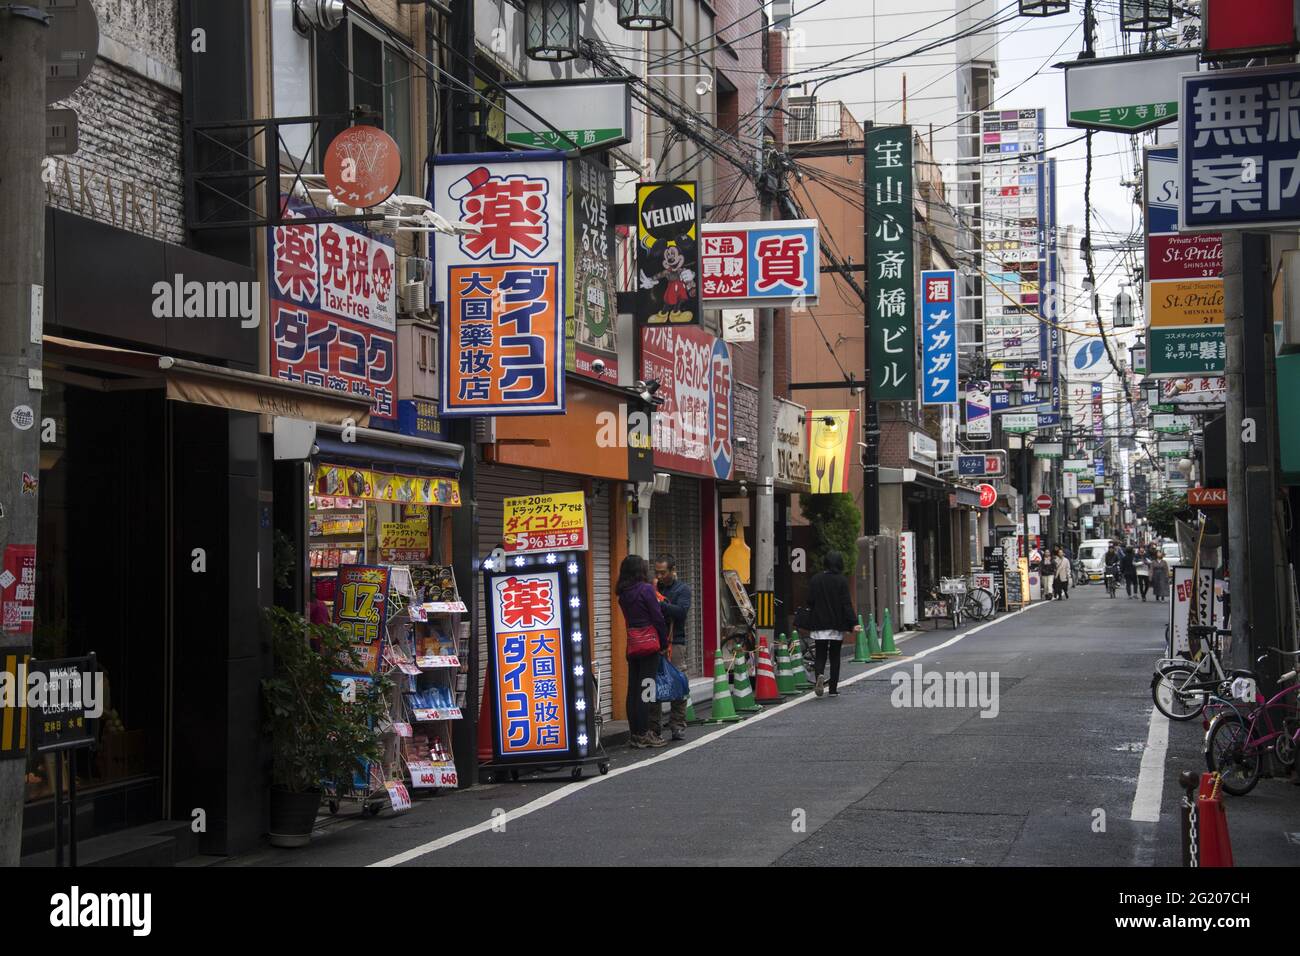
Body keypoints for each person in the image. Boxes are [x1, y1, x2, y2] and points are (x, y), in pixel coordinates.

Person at [616, 554, 669, 749]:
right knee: (647, 689)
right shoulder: (646, 590)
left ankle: (635, 733)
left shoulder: (623, 593)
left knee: (633, 690)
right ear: (640, 571)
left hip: (633, 644)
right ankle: (645, 733)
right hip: (649, 644)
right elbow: (657, 617)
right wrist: (663, 642)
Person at [649, 554, 692, 741]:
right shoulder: (653, 587)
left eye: (663, 572)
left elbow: (681, 612)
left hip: (675, 642)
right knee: (652, 685)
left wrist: (660, 604)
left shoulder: (682, 589)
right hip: (654, 642)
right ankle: (654, 727)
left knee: (678, 681)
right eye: (656, 572)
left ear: (673, 570)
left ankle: (677, 725)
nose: (659, 576)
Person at [806, 550, 859, 697]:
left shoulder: (816, 579)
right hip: (837, 624)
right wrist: (853, 623)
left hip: (819, 623)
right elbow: (846, 604)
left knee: (820, 654)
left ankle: (819, 677)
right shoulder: (841, 580)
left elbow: (809, 600)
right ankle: (833, 689)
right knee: (835, 656)